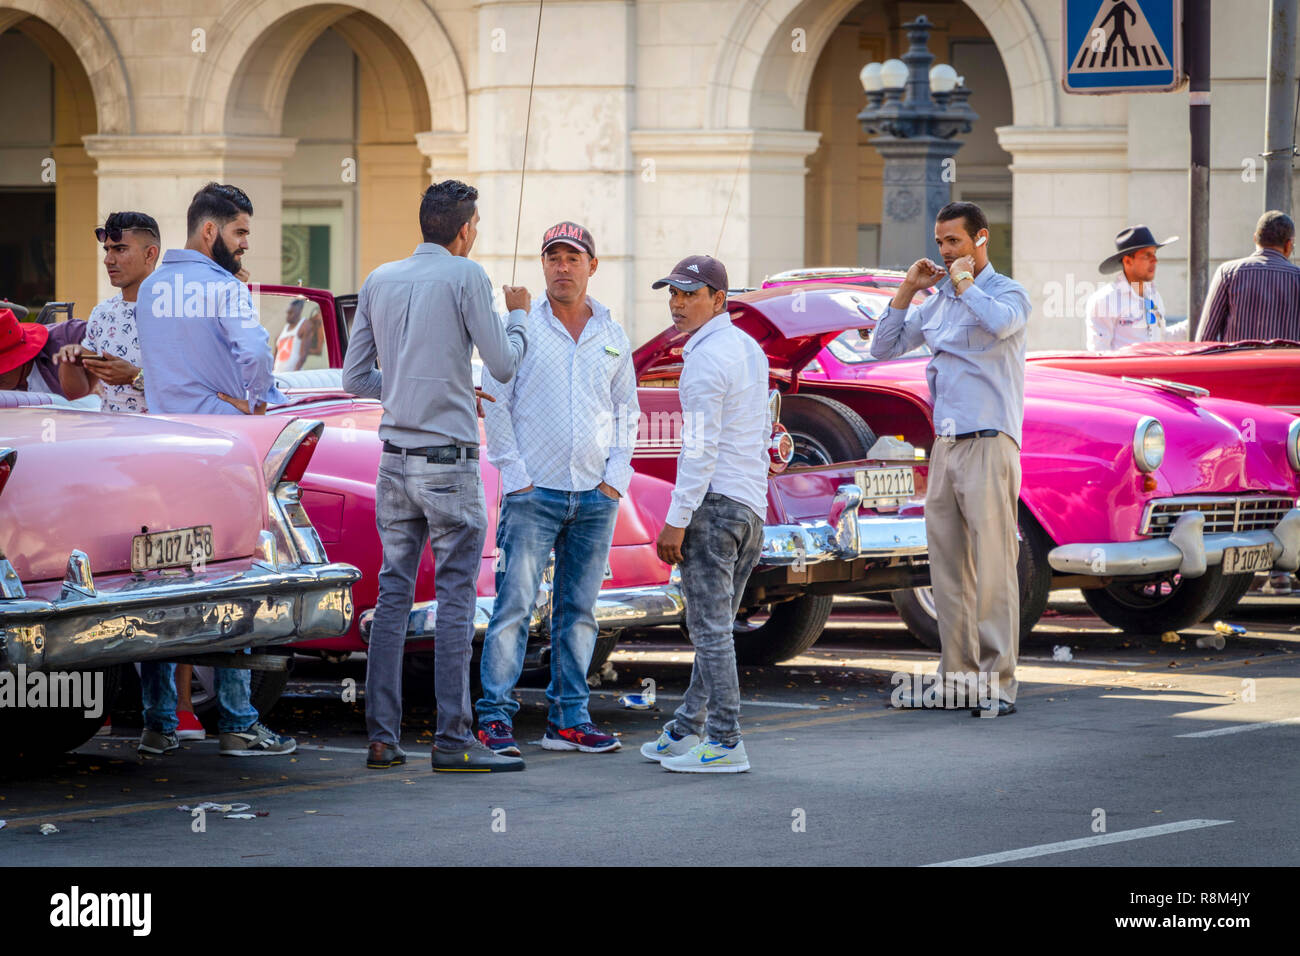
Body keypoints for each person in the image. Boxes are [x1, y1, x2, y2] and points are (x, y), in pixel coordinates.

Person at [342, 179, 529, 773]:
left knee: (393, 597)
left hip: (393, 460)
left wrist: (405, 392)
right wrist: (519, 316)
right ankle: (452, 740)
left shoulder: (379, 279)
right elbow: (503, 364)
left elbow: (355, 379)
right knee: (453, 599)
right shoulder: (467, 276)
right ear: (466, 229)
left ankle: (381, 737)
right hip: (448, 462)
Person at [134, 182, 296, 757]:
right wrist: (257, 399)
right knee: (232, 584)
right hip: (216, 452)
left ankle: (159, 723)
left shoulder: (151, 290)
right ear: (210, 231)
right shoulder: (225, 287)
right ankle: (238, 722)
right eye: (240, 232)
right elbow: (254, 353)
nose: (245, 244)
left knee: (157, 589)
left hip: (158, 453)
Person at [475, 222, 637, 757]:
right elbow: (493, 402)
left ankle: (568, 717)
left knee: (580, 611)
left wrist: (616, 480)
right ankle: (494, 716)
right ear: (543, 265)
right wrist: (515, 477)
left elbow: (626, 412)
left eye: (573, 257)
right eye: (553, 257)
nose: (562, 266)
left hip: (595, 494)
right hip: (533, 493)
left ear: (593, 265)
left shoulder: (612, 334)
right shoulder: (518, 327)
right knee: (514, 605)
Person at [869, 201, 1031, 717]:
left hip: (990, 442)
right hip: (946, 445)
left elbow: (1001, 325)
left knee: (994, 566)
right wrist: (907, 291)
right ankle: (958, 679)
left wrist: (963, 283)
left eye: (954, 241)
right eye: (939, 242)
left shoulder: (1007, 293)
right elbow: (882, 348)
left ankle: (998, 682)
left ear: (981, 239)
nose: (944, 251)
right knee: (946, 569)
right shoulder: (936, 301)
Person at [638, 255, 768, 773]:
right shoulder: (748, 349)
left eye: (690, 294)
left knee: (709, 630)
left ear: (719, 299)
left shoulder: (706, 359)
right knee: (715, 626)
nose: (677, 303)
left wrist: (677, 517)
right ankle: (686, 728)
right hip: (747, 508)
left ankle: (726, 740)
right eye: (672, 293)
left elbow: (699, 448)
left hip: (715, 508)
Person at [55, 212, 159, 412]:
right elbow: (78, 392)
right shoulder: (102, 313)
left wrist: (134, 377)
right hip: (109, 439)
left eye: (120, 249)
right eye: (107, 250)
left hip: (159, 438)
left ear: (150, 254)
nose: (108, 260)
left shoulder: (175, 311)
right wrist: (68, 362)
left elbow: (188, 391)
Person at [1197, 209, 1300, 342]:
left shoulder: (1227, 273)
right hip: (1285, 363)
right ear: (1288, 245)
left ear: (1255, 238)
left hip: (1236, 362)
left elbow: (1205, 338)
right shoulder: (1297, 277)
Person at [1085, 225, 1179, 351]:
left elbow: (1161, 339)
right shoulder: (1104, 300)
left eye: (1154, 254)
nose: (1155, 260)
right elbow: (1099, 354)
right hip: (1122, 371)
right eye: (1147, 255)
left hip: (1153, 370)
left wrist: (1201, 319)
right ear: (1128, 261)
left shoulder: (1154, 295)